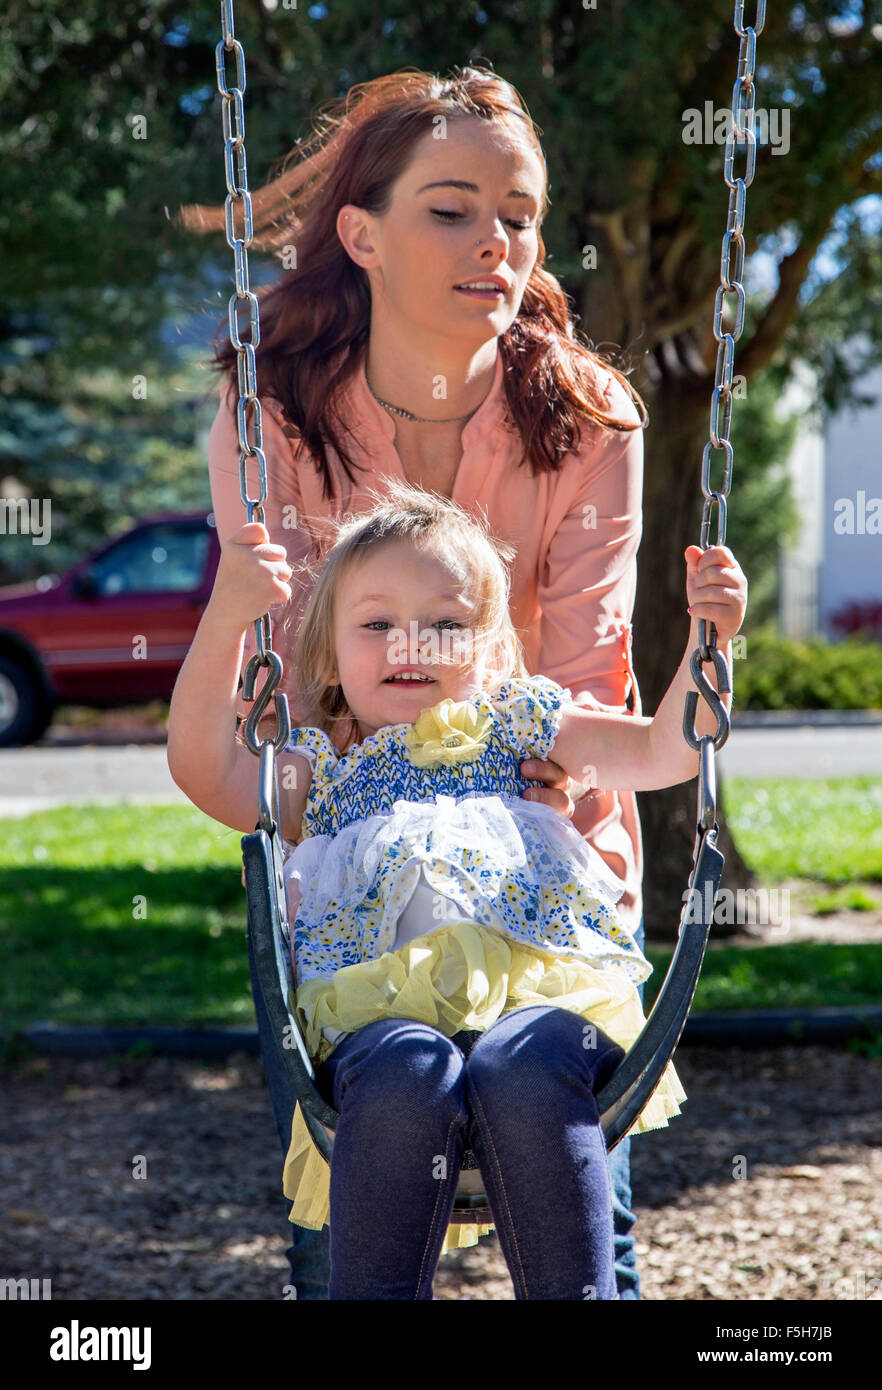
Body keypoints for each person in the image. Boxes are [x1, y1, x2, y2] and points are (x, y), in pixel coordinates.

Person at [179, 63, 662, 1297]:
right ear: (362, 233)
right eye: (451, 209)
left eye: (519, 214)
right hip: (349, 863)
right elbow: (270, 688)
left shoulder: (589, 421)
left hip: (546, 854)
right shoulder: (272, 412)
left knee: (554, 1124)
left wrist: (527, 818)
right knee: (366, 1139)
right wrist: (317, 797)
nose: (496, 242)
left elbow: (586, 674)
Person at [167, 480, 747, 1299]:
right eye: (377, 624)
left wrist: (708, 641)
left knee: (528, 1063)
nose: (413, 644)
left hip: (542, 1005)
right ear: (330, 654)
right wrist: (227, 617)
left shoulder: (523, 727)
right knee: (409, 1073)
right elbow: (202, 769)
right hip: (379, 1021)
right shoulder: (318, 772)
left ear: (490, 650)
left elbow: (665, 749)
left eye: (446, 624)